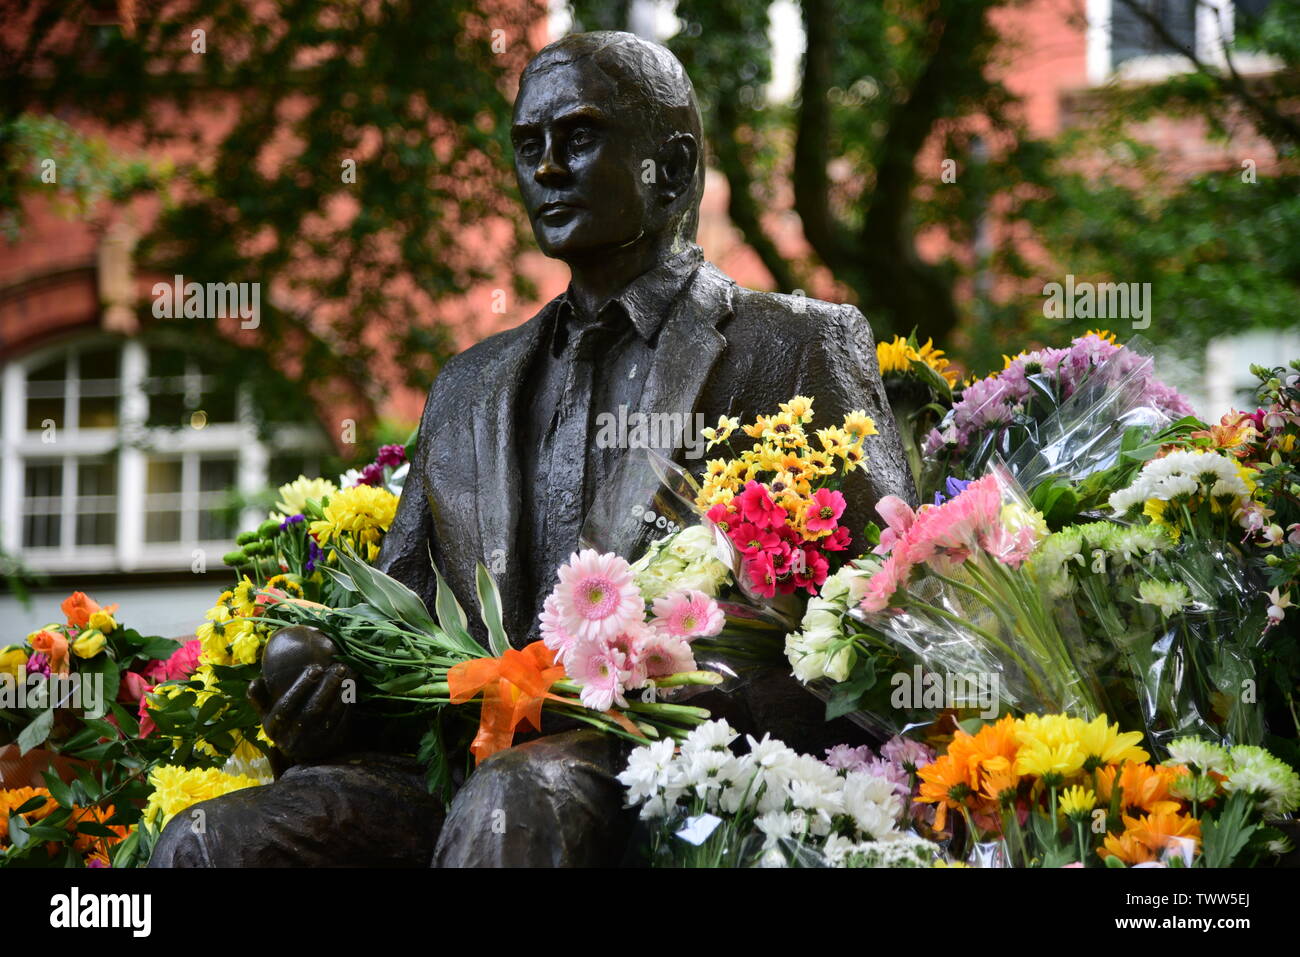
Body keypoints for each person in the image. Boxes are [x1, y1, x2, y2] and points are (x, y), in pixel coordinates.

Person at [150, 30, 914, 868]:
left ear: (675, 165)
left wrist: (695, 693)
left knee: (515, 799)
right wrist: (324, 685)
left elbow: (877, 617)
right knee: (205, 841)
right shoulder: (469, 384)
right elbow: (395, 620)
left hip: (672, 767)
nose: (545, 168)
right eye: (527, 147)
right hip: (461, 758)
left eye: (579, 138)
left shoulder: (791, 344)